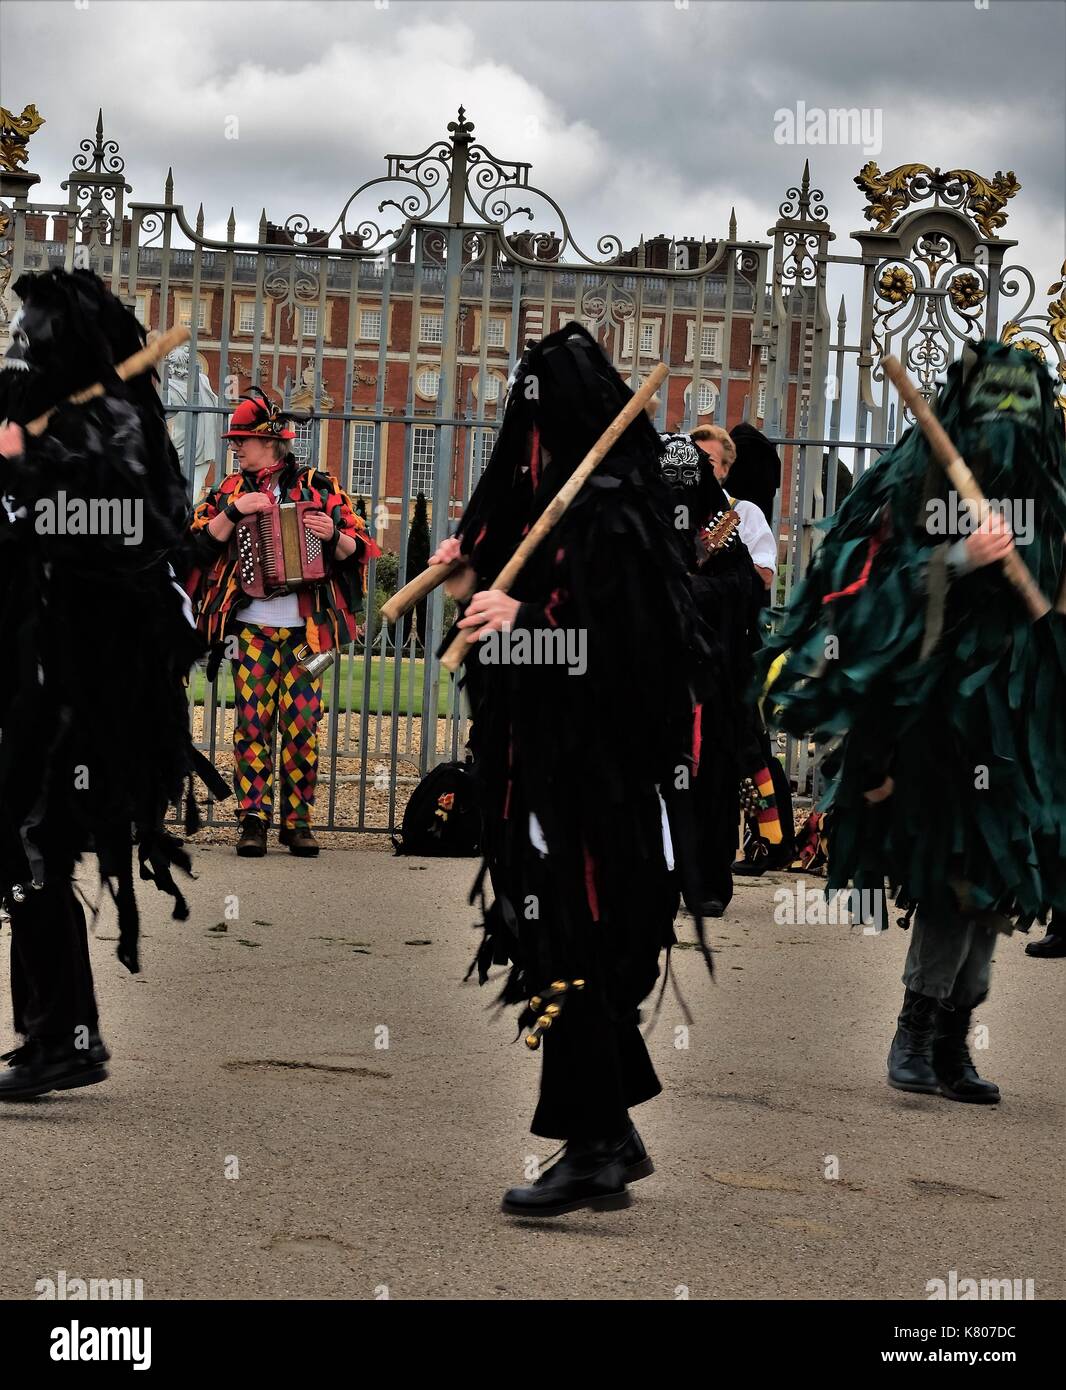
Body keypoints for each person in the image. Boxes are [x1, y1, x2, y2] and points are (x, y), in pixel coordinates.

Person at [428, 324, 710, 1217]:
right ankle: (610, 1135)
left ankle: (593, 1148)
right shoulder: (550, 498)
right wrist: (468, 573)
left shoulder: (620, 513)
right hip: (537, 768)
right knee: (554, 938)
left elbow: (627, 656)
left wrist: (530, 626)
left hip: (596, 782)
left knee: (577, 942)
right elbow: (511, 603)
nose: (531, 436)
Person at [759, 341, 1066, 1103]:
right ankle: (916, 1029)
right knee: (956, 874)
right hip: (939, 719)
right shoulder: (919, 479)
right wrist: (958, 556)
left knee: (995, 880)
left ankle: (957, 1040)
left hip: (1018, 726)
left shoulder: (1048, 495)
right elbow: (871, 588)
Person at [0, 268, 226, 1102]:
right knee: (28, 844)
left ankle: (61, 1035)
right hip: (36, 662)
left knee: (33, 840)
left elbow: (128, 532)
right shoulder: (39, 412)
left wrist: (26, 477)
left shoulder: (119, 425)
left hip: (90, 677)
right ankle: (63, 1033)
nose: (24, 339)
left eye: (37, 328)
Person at [184, 390, 379, 857]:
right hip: (250, 627)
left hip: (308, 631)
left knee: (302, 722)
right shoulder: (230, 490)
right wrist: (234, 513)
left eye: (242, 439)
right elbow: (192, 546)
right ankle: (254, 819)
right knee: (252, 722)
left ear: (269, 441)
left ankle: (298, 822)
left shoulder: (319, 486)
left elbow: (363, 548)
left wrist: (334, 536)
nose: (235, 447)